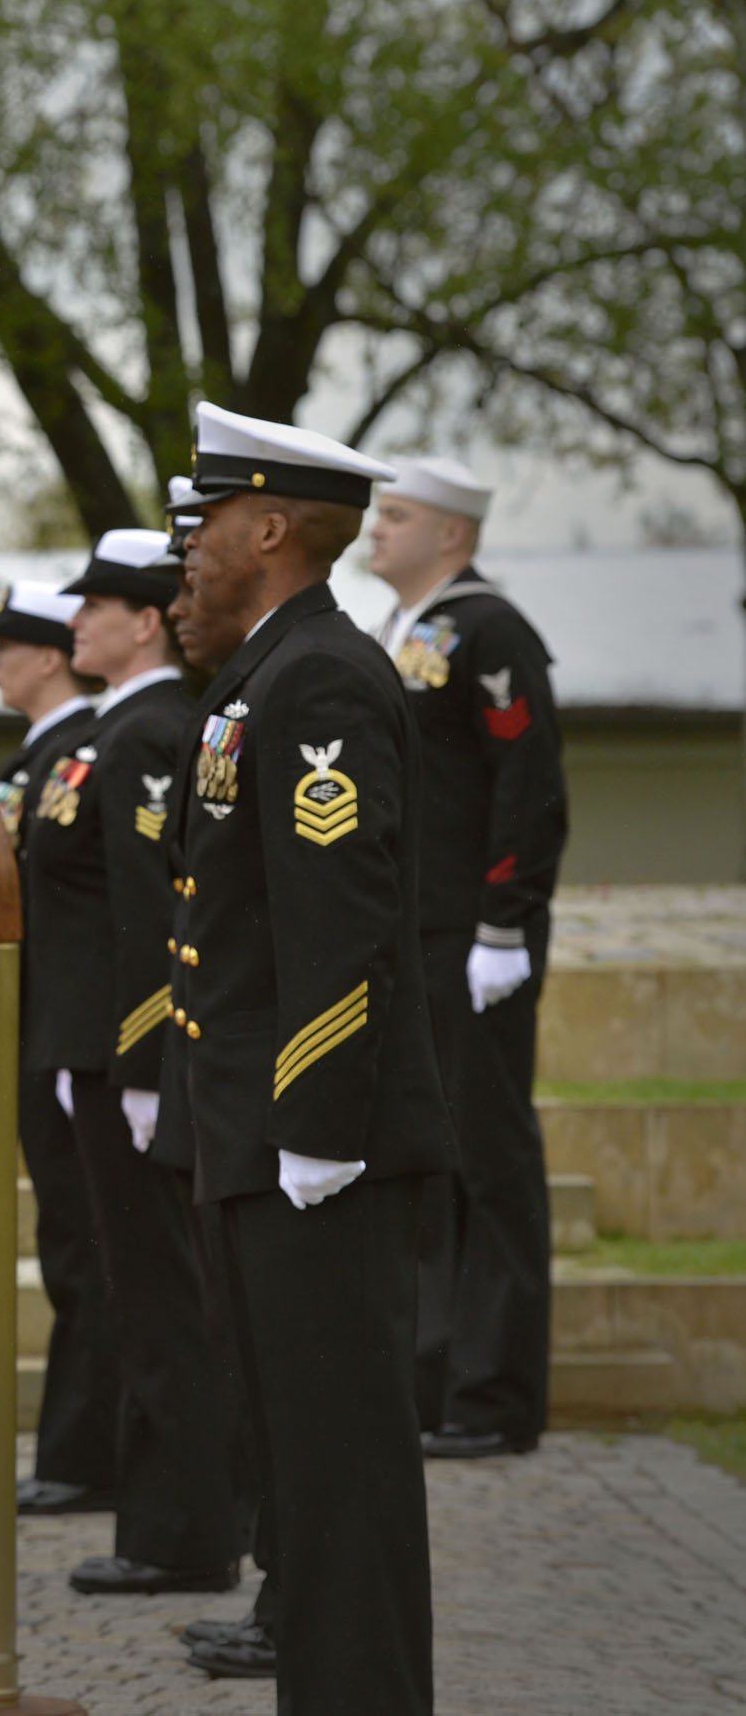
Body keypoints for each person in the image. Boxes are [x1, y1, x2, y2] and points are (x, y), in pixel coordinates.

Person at [166, 403, 451, 1710]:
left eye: (211, 519)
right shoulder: (266, 671)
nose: (194, 544)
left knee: (343, 1481)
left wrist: (319, 1126)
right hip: (259, 1136)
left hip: (314, 1147)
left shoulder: (321, 674)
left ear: (271, 527)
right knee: (297, 1462)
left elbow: (339, 923)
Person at [31, 531, 240, 1596]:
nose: (75, 622)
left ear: (144, 620)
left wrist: (146, 1059)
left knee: (161, 1296)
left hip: (129, 1056)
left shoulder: (154, 729)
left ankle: (187, 1530)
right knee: (136, 1287)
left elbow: (154, 911)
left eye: (95, 606)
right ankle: (166, 1519)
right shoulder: (113, 729)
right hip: (92, 1050)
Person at [368, 458, 566, 1457]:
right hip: (414, 935)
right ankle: (434, 1379)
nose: (374, 529)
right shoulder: (402, 633)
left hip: (471, 935)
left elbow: (525, 781)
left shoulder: (487, 628)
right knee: (433, 1161)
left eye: (395, 515)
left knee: (489, 1159)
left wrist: (504, 919)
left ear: (451, 533)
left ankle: (494, 1394)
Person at [0, 581, 122, 1517]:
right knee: (74, 1243)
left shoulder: (84, 752)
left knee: (90, 1247)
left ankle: (88, 1449)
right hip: (39, 1024)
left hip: (78, 1030)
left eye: (7, 646)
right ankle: (80, 1444)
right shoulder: (40, 758)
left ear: (47, 657)